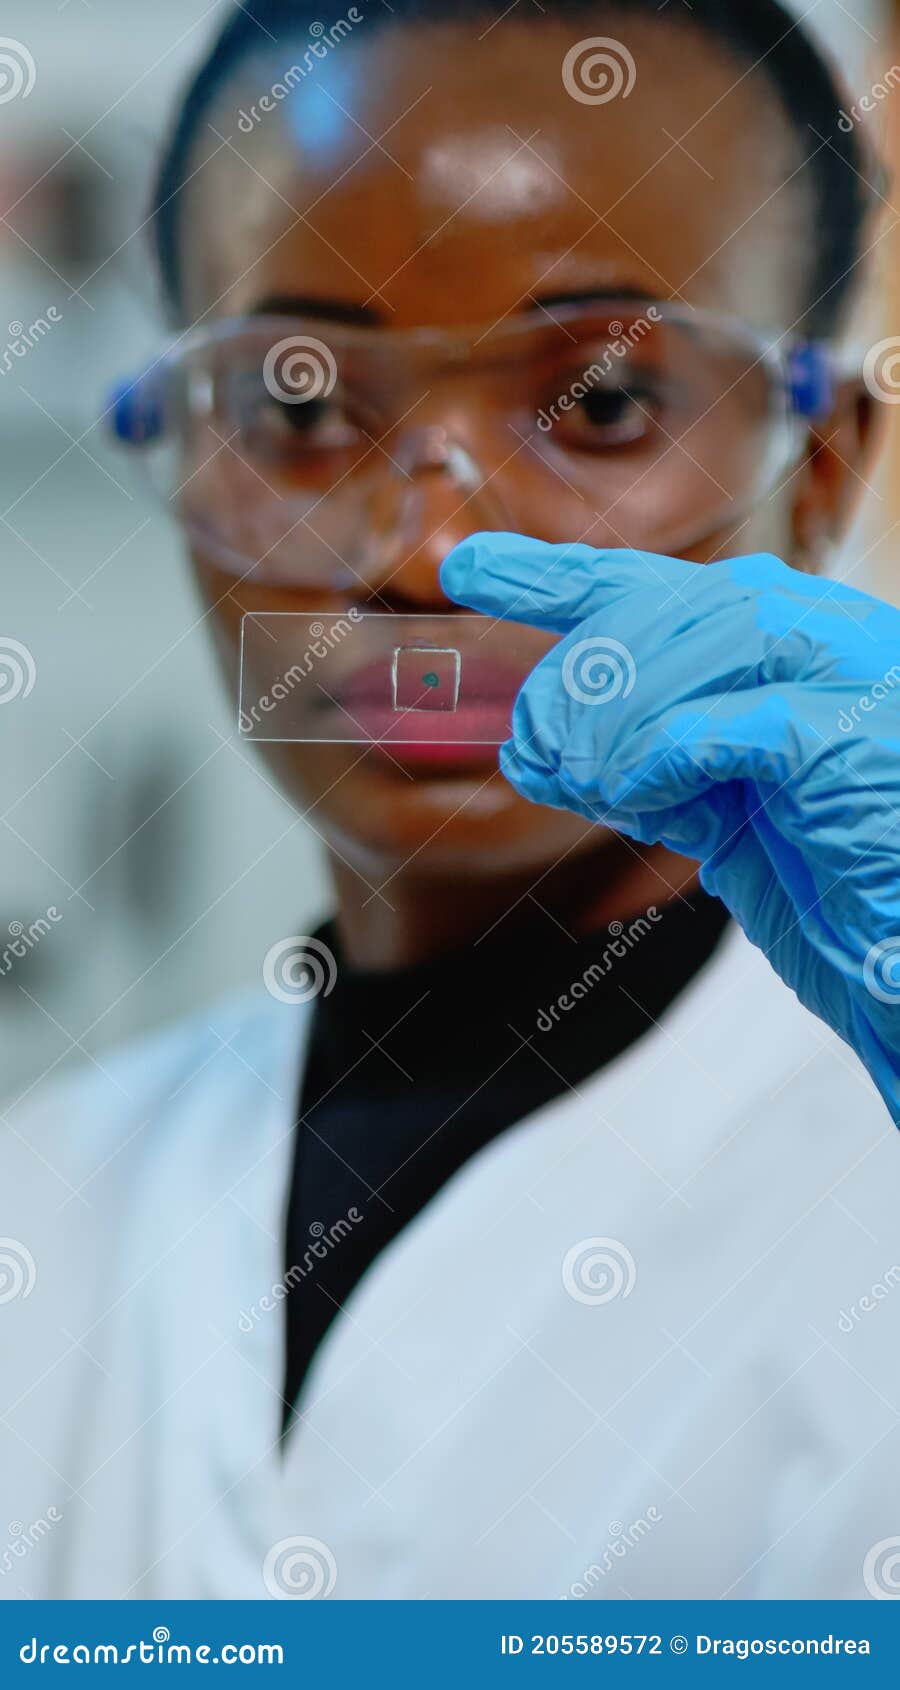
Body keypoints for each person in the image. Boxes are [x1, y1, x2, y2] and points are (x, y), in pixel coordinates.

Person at [3, 0, 900, 1601]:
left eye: (604, 402)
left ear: (822, 459)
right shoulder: (42, 1202)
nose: (417, 554)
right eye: (298, 406)